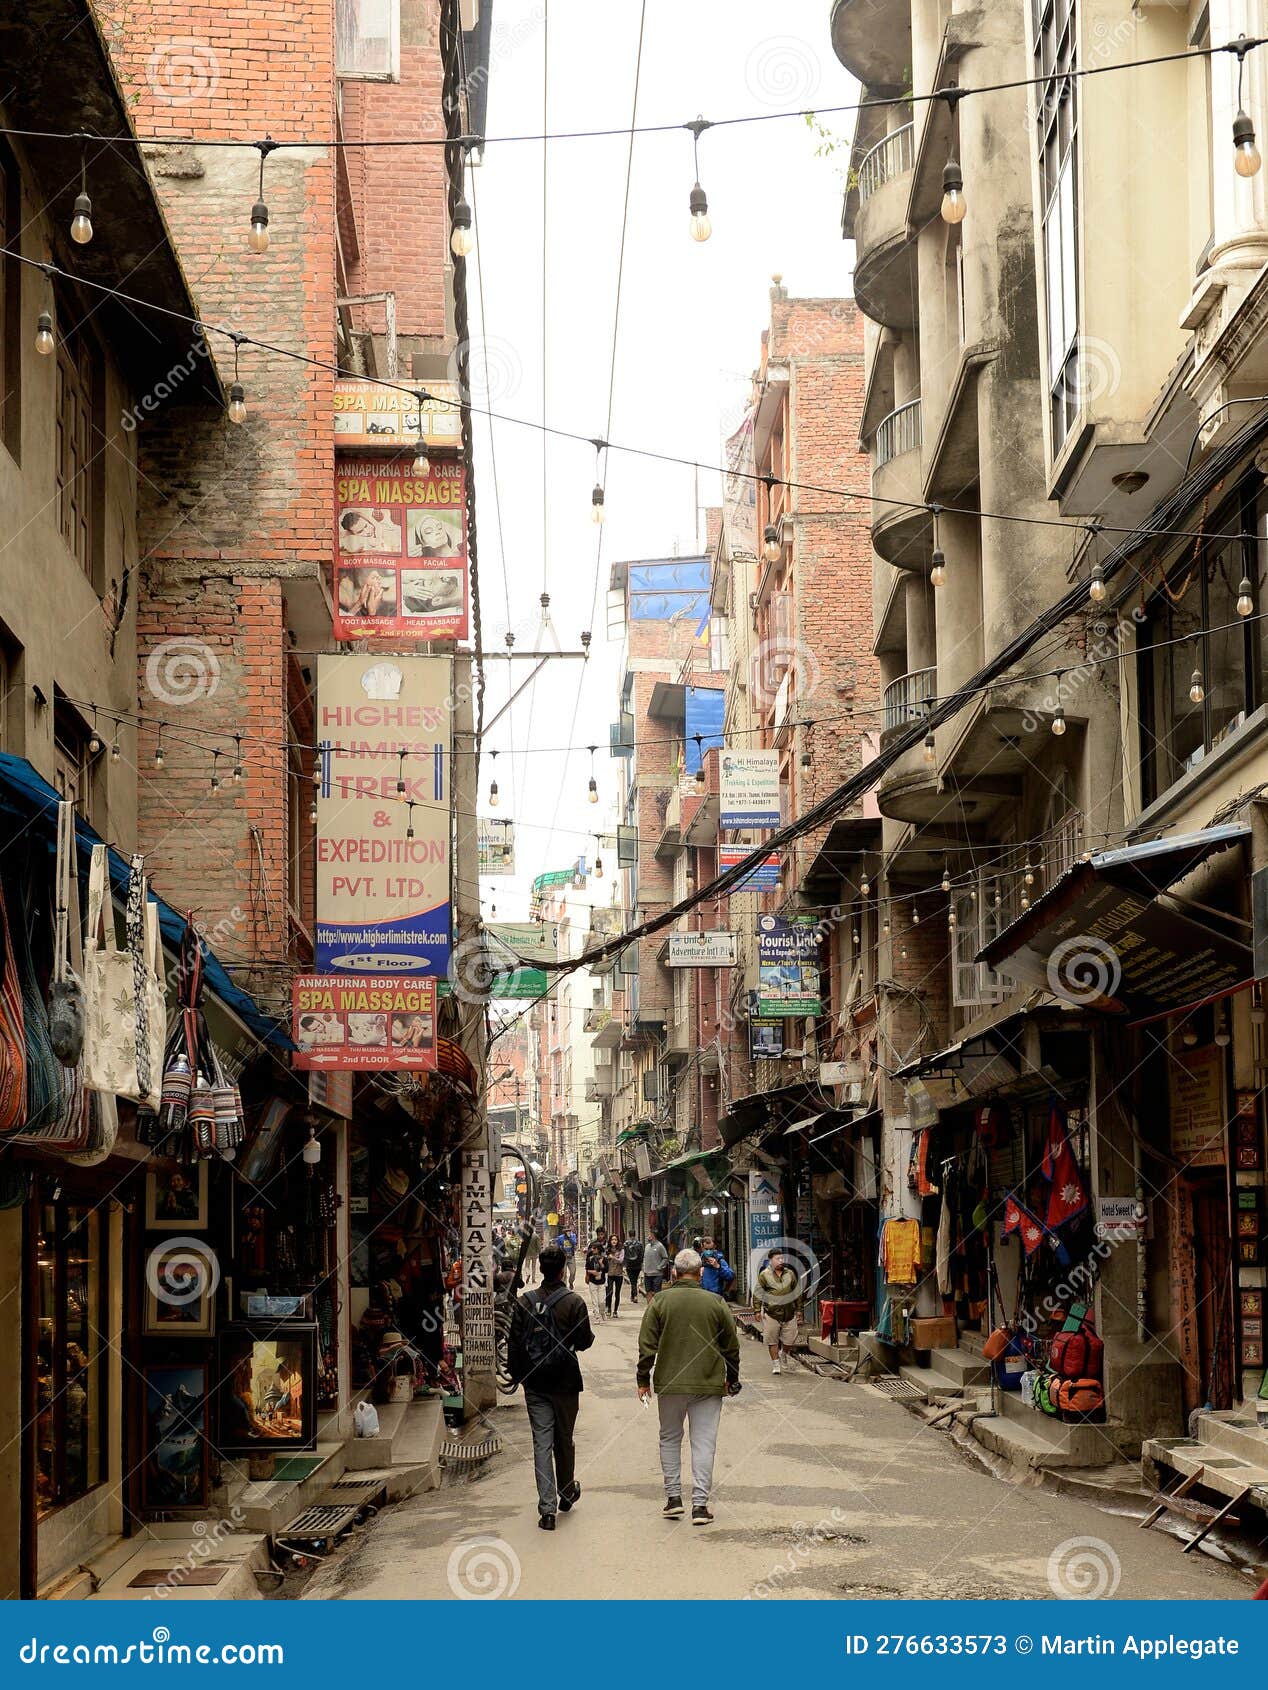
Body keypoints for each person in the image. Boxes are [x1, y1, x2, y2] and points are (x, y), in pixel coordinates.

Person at [636, 1248, 740, 1526]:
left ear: (674, 1272)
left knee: (669, 1437)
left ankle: (673, 1500)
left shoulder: (659, 1302)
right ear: (701, 1272)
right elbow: (731, 1345)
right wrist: (733, 1377)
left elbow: (647, 1345)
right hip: (708, 1382)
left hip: (669, 1383)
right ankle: (699, 1506)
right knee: (703, 1443)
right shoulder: (716, 1302)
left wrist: (642, 1380)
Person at [507, 1245, 594, 1531]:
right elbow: (584, 1342)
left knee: (541, 1444)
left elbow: (514, 1345)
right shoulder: (574, 1302)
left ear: (542, 1269)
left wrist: (521, 1377)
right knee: (564, 1440)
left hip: (536, 1385)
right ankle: (567, 1491)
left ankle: (547, 1511)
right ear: (562, 1269)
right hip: (566, 1382)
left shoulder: (524, 1302)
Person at [755, 1249, 801, 1374]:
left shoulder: (790, 1273)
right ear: (771, 1260)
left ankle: (784, 1353)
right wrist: (757, 1310)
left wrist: (799, 1309)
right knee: (772, 1340)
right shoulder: (764, 1274)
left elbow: (796, 1292)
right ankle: (776, 1364)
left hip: (789, 1312)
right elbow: (758, 1293)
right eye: (778, 1258)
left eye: (782, 1258)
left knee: (790, 1339)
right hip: (771, 1312)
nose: (781, 1261)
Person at [584, 1237, 608, 1322]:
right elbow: (586, 1268)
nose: (593, 1250)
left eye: (594, 1248)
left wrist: (601, 1264)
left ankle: (602, 1312)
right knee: (595, 1301)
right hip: (592, 1281)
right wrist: (592, 1272)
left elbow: (606, 1270)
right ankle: (597, 1317)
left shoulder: (604, 1259)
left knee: (602, 1301)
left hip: (601, 1282)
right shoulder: (590, 1259)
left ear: (599, 1249)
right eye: (592, 1248)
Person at [605, 1235, 626, 1318]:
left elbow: (621, 1260)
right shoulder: (607, 1250)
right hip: (610, 1274)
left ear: (618, 1241)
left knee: (617, 1293)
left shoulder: (621, 1250)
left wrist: (612, 1257)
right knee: (609, 1292)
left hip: (618, 1274)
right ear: (610, 1241)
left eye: (615, 1240)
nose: (614, 1241)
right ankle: (609, 1309)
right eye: (612, 1240)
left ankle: (615, 1311)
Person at [623, 1230, 645, 1302]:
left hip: (629, 1265)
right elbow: (642, 1255)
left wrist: (624, 1264)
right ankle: (633, 1296)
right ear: (635, 1234)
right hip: (637, 1266)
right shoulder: (639, 1244)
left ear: (629, 1235)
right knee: (634, 1281)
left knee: (633, 1281)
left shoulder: (625, 1244)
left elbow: (624, 1255)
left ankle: (635, 1296)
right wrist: (641, 1263)